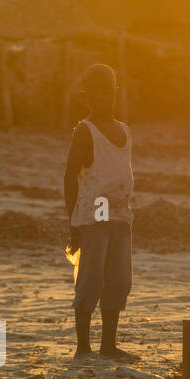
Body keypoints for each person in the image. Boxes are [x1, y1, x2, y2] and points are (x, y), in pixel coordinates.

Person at [63, 64, 135, 360]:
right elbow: (70, 176)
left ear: (116, 93)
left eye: (109, 91)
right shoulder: (85, 131)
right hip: (95, 214)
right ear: (87, 98)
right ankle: (83, 347)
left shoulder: (124, 131)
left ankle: (109, 345)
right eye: (97, 93)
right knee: (91, 279)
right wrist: (73, 224)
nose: (104, 97)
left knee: (118, 279)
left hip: (120, 214)